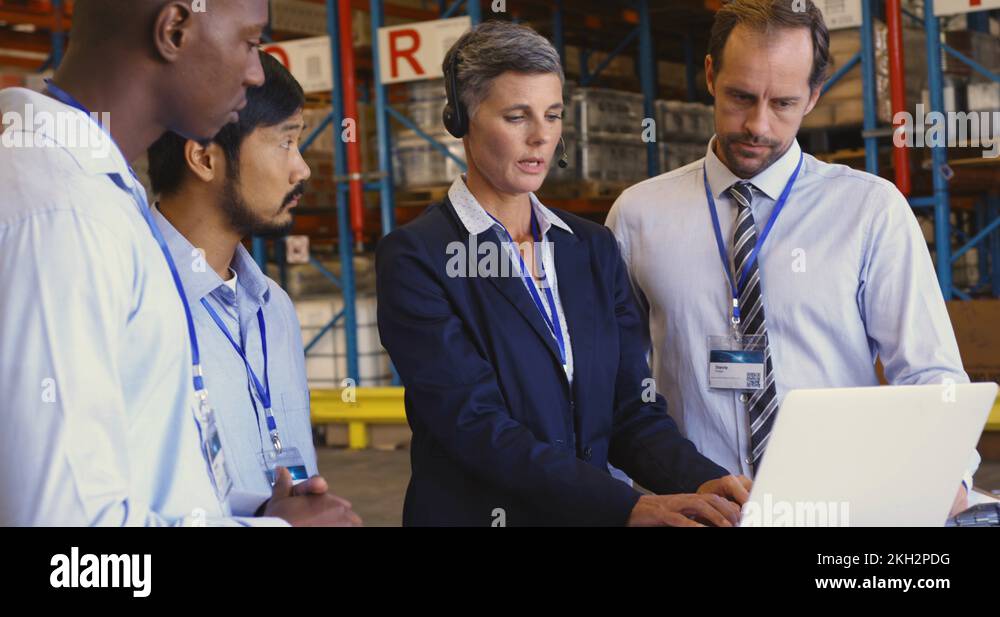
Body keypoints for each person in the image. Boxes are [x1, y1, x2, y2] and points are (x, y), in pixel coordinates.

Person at [606, 0, 978, 516]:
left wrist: (946, 477)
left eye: (782, 103)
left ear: (814, 96)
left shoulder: (869, 210)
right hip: (699, 508)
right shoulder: (638, 215)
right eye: (740, 97)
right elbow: (617, 387)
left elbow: (928, 372)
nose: (757, 124)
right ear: (711, 75)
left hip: (836, 508)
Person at [376, 20, 750, 527]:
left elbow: (629, 409)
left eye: (552, 115)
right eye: (516, 116)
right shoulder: (417, 258)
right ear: (460, 118)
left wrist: (702, 480)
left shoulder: (591, 248)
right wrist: (625, 506)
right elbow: (475, 426)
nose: (540, 137)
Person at [0, 0, 348, 526]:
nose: (255, 71)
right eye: (250, 43)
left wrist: (248, 512)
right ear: (174, 29)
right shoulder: (63, 214)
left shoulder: (105, 202)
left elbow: (129, 480)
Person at [146, 52, 360, 525]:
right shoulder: (133, 305)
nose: (301, 169)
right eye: (285, 142)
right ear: (204, 157)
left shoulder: (273, 308)